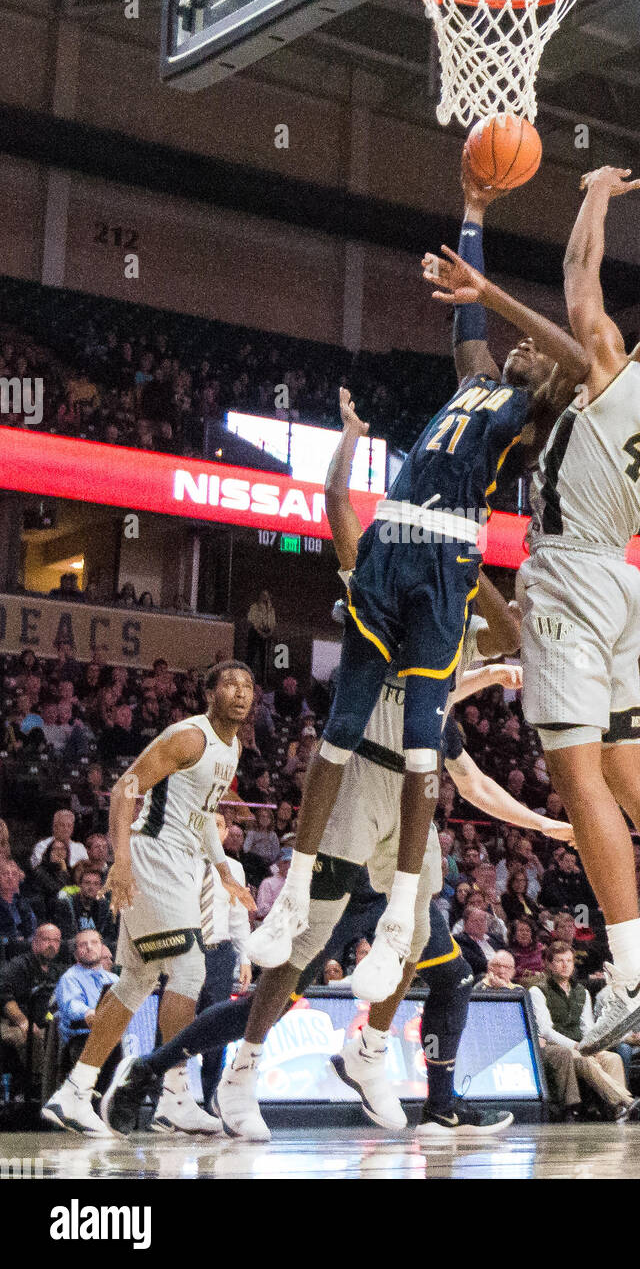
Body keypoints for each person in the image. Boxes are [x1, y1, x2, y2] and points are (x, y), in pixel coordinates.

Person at [102, 397, 570, 1142]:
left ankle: (372, 1050)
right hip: (356, 785)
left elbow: (509, 632)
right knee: (302, 948)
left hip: (413, 795)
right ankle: (242, 1070)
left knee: (419, 942)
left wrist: (464, 555)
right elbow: (334, 504)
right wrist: (350, 443)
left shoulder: (448, 609)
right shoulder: (373, 575)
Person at [425, 164, 640, 1054]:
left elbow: (579, 282)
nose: (630, 332)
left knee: (579, 776)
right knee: (629, 771)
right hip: (617, 584)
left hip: (572, 580)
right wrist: (488, 294)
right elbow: (562, 351)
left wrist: (597, 194)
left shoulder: (621, 368)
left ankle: (635, 961)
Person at [260, 164, 559, 999]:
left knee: (426, 742)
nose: (518, 348)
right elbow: (466, 318)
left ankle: (400, 917)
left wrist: (499, 296)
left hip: (443, 560)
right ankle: (294, 886)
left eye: (528, 350)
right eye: (516, 344)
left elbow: (561, 360)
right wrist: (470, 212)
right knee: (342, 723)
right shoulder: (477, 381)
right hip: (393, 541)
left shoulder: (530, 416)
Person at [42, 660, 256, 1137]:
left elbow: (202, 816)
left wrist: (224, 872)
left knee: (136, 981)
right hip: (153, 855)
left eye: (247, 685)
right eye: (229, 684)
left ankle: (75, 1091)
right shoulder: (189, 737)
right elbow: (126, 787)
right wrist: (121, 861)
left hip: (181, 862)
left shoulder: (233, 746)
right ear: (209, 693)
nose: (240, 693)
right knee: (190, 969)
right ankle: (173, 1096)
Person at [528, 942, 640, 1123]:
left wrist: (594, 1045)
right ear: (550, 964)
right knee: (584, 1059)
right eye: (559, 961)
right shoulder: (538, 991)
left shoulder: (581, 991)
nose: (565, 965)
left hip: (580, 1045)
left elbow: (588, 1028)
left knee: (612, 1058)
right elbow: (546, 1030)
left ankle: (618, 1111)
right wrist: (575, 1045)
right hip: (557, 1047)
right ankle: (628, 1103)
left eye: (569, 960)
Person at [196, 813, 252, 1110]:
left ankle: (210, 1100)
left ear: (226, 832)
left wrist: (245, 957)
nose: (214, 829)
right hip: (186, 949)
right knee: (174, 1024)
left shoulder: (236, 869)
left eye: (219, 825)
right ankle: (161, 1098)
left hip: (220, 952)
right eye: (209, 823)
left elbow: (239, 915)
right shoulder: (184, 859)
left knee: (216, 1027)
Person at [0, 923, 64, 1081]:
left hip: (46, 1024)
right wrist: (23, 1021)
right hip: (12, 1023)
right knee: (31, 1036)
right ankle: (40, 1084)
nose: (52, 945)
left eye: (56, 941)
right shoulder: (18, 965)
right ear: (34, 941)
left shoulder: (56, 970)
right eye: (46, 939)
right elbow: (3, 995)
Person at [54, 930, 118, 1063]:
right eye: (83, 944)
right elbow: (71, 1005)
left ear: (102, 948)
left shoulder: (113, 978)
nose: (89, 947)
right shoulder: (69, 978)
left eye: (94, 942)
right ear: (76, 954)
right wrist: (88, 1012)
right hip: (83, 1040)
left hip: (113, 1036)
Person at [54, 865, 117, 947]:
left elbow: (109, 937)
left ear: (101, 887)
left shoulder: (105, 907)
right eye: (87, 883)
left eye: (96, 884)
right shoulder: (66, 905)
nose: (91, 887)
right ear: (80, 885)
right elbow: (66, 937)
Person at [0, 858, 37, 952]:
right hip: (4, 949)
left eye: (14, 874)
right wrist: (11, 941)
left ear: (18, 880)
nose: (10, 877)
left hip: (26, 947)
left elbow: (33, 928)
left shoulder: (22, 902)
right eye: (5, 874)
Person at [246, 590, 276, 685]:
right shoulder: (254, 607)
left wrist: (269, 633)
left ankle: (263, 680)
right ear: (260, 596)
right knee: (251, 655)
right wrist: (260, 633)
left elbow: (273, 623)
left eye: (267, 596)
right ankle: (247, 677)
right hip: (255, 633)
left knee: (264, 658)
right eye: (263, 595)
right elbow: (252, 622)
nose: (265, 597)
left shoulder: (271, 609)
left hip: (266, 633)